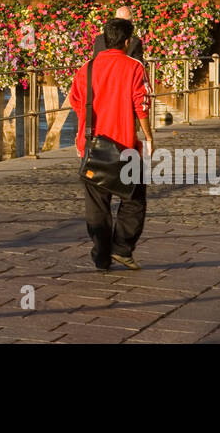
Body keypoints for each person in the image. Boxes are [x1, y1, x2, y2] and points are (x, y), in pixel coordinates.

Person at [68, 17, 154, 271]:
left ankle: (101, 254)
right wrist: (148, 136)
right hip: (125, 144)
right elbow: (142, 105)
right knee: (134, 200)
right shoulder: (134, 67)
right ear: (127, 41)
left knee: (97, 202)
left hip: (92, 143)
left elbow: (75, 100)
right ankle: (122, 247)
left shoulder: (88, 67)